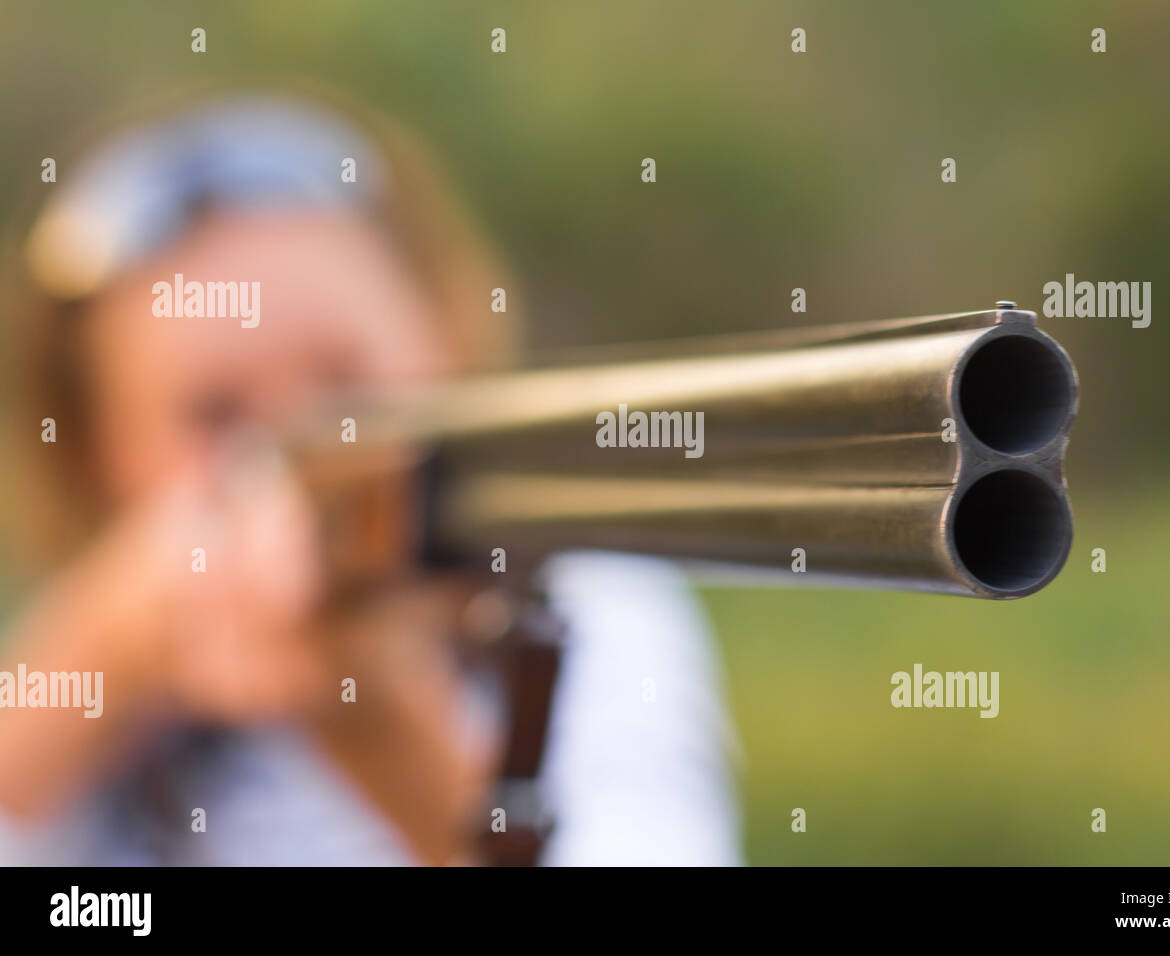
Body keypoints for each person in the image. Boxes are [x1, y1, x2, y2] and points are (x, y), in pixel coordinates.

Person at [0, 92, 740, 865]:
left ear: (445, 337)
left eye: (344, 382)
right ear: (95, 457)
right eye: (217, 416)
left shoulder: (588, 603)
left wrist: (383, 731)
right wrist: (91, 668)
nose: (296, 458)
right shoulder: (93, 673)